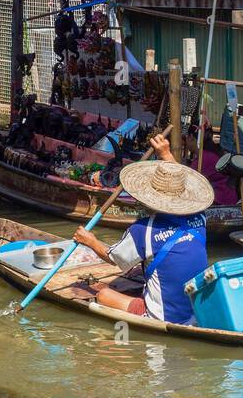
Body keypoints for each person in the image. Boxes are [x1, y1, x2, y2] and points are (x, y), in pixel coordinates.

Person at [72, 133, 215, 324]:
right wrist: (166, 154)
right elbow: (179, 182)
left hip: (165, 317)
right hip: (200, 310)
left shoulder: (144, 230)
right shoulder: (200, 217)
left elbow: (113, 258)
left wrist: (89, 240)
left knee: (104, 294)